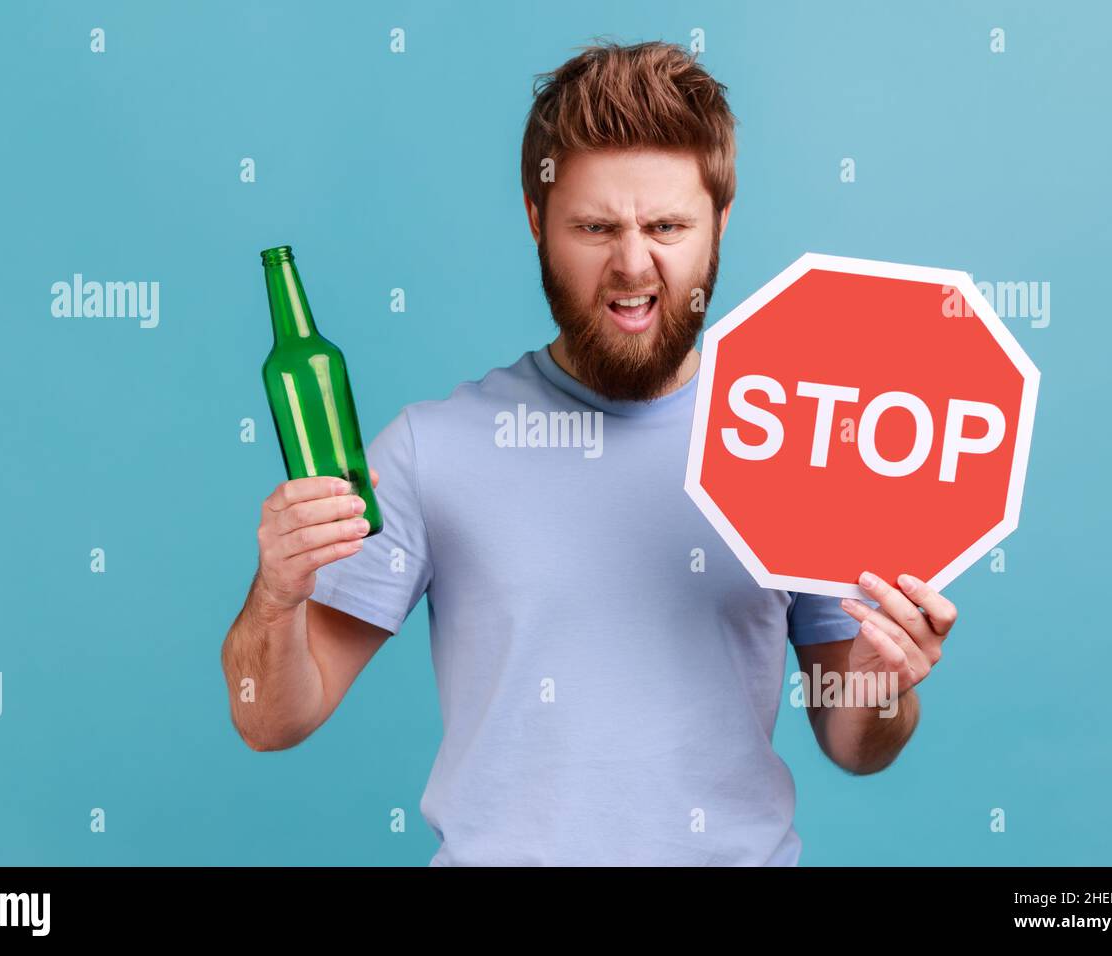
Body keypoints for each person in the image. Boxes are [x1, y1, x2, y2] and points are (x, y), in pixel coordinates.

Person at [221, 40, 959, 866]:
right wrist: (275, 595)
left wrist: (881, 682)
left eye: (668, 225)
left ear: (721, 220)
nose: (633, 264)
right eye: (595, 226)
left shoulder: (800, 441)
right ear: (537, 221)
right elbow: (270, 719)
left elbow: (855, 744)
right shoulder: (433, 450)